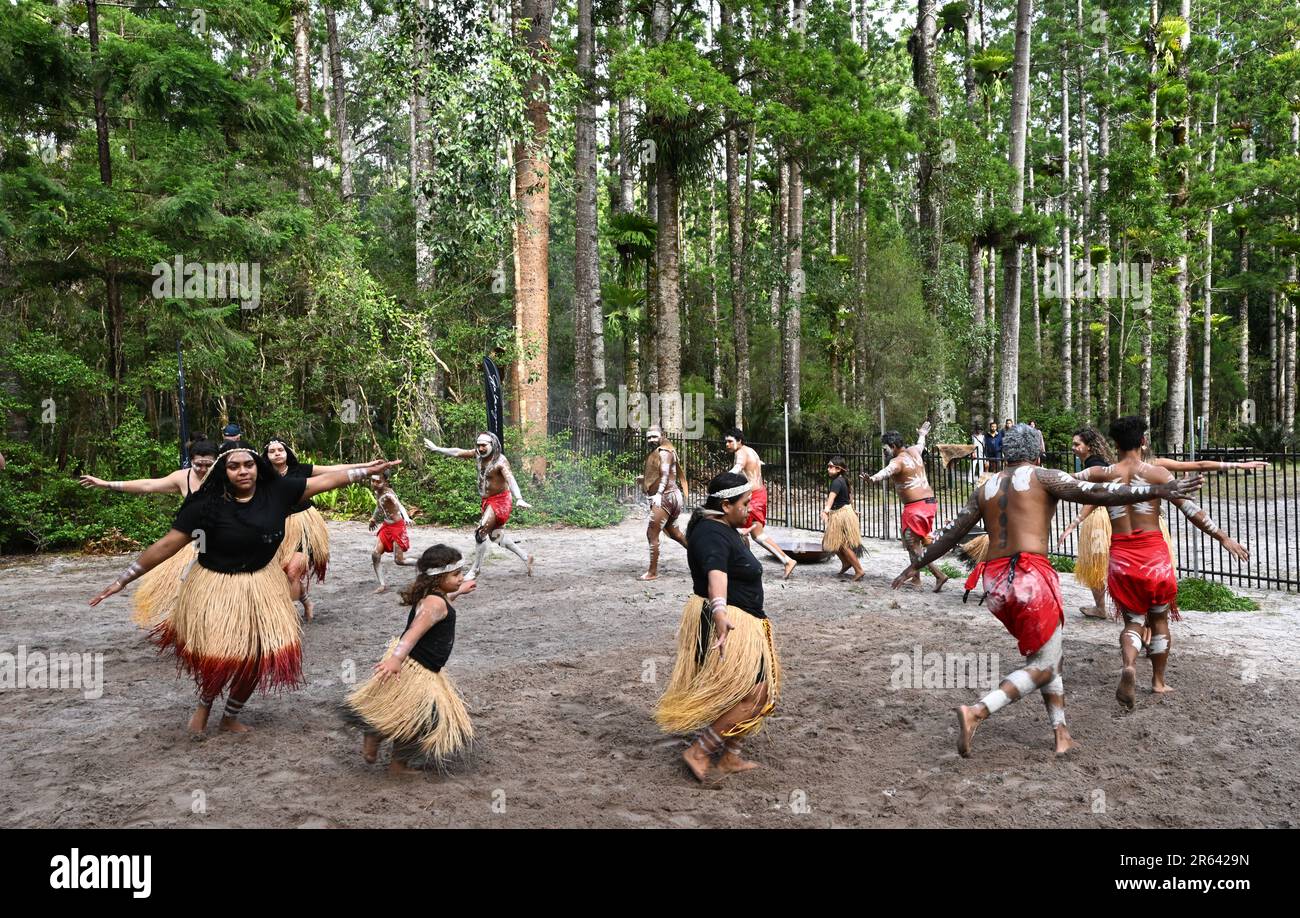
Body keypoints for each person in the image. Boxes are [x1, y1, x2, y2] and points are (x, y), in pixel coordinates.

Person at [892, 424, 1203, 757]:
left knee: (1049, 655)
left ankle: (1061, 733)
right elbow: (1098, 493)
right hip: (1029, 578)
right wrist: (1157, 491)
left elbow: (952, 533)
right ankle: (978, 711)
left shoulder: (986, 487)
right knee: (1043, 665)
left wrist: (919, 562)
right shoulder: (1044, 476)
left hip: (995, 583)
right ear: (1036, 453)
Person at [89, 441, 400, 733]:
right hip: (216, 586)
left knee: (258, 655)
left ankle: (231, 717)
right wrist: (122, 580)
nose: (242, 471)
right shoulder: (205, 506)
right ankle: (205, 705)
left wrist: (366, 472)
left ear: (257, 467)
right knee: (220, 655)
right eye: (234, 466)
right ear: (223, 472)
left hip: (262, 583)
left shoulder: (277, 492)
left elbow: (325, 481)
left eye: (248, 465)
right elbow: (168, 545)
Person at [1076, 416, 1248, 710]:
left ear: (1115, 444)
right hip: (1153, 557)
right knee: (1159, 619)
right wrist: (1223, 538)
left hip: (1122, 557)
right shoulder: (1157, 474)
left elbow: (1059, 483)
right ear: (1142, 441)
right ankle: (1157, 681)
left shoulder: (1102, 472)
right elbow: (1191, 509)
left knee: (1133, 621)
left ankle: (1129, 665)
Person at [1058, 429, 1267, 620]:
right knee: (1148, 598)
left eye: (1077, 444)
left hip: (1125, 534)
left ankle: (1127, 625)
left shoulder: (1117, 469)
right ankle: (1144, 622)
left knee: (1125, 599)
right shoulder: (1151, 468)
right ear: (1143, 442)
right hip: (1147, 536)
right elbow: (1194, 485)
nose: (1074, 448)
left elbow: (1086, 491)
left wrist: (1238, 464)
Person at [655, 472, 781, 782]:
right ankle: (700, 750)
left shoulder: (720, 526)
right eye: (744, 504)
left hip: (744, 621)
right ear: (725, 505)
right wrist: (721, 611)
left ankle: (730, 757)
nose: (749, 509)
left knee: (755, 692)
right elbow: (716, 573)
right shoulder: (712, 534)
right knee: (756, 693)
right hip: (730, 622)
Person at [346, 545, 477, 774]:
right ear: (438, 578)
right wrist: (396, 659)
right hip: (415, 668)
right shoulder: (435, 603)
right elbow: (414, 632)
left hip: (417, 665)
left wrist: (458, 591)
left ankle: (378, 737)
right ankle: (393, 758)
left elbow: (441, 608)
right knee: (421, 721)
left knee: (411, 718)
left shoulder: (436, 598)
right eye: (456, 575)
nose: (461, 577)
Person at [79, 439, 219, 629]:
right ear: (190, 461)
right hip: (194, 541)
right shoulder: (182, 477)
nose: (202, 470)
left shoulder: (227, 475)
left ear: (217, 461)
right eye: (198, 465)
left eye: (208, 465)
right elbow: (147, 485)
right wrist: (107, 484)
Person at [263, 438, 376, 622]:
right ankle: (306, 601)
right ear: (266, 456)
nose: (277, 453)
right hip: (277, 527)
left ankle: (288, 617)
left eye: (280, 450)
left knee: (292, 571)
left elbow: (335, 470)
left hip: (304, 525)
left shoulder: (301, 469)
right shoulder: (262, 475)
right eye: (272, 451)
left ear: (287, 452)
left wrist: (368, 465)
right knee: (281, 572)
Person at [424, 432, 534, 579]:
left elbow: (510, 478)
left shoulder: (500, 461)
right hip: (487, 501)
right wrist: (437, 449)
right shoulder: (477, 455)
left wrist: (519, 497)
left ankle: (475, 570)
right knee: (496, 537)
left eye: (484, 445)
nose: (480, 448)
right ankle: (526, 557)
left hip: (500, 501)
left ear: (492, 445)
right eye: (478, 445)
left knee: (480, 532)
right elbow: (457, 452)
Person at [863, 422, 948, 592]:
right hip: (929, 503)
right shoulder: (914, 451)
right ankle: (916, 579)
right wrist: (922, 433)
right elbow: (921, 443)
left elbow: (887, 471)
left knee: (912, 544)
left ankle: (939, 575)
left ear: (893, 446)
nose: (884, 451)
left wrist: (872, 479)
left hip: (916, 508)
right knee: (913, 541)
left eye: (886, 448)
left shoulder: (898, 461)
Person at [723, 428, 797, 579]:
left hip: (753, 497)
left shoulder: (741, 452)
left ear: (739, 441)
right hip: (759, 493)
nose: (727, 444)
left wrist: (722, 479)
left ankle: (744, 565)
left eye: (730, 441)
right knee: (756, 535)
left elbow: (738, 467)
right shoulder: (752, 451)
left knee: (738, 530)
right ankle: (786, 560)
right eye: (726, 441)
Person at [639, 425, 689, 581]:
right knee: (676, 534)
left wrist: (659, 494)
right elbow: (662, 474)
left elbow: (665, 474)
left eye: (654, 436)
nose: (651, 440)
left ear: (663, 435)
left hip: (666, 498)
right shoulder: (664, 450)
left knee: (651, 534)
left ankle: (652, 572)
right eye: (649, 437)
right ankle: (703, 556)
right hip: (671, 497)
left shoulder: (664, 452)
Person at [369, 470, 417, 593]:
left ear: (385, 482)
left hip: (397, 527)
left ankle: (421, 563)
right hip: (386, 526)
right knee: (375, 554)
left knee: (399, 561)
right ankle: (382, 584)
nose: (375, 484)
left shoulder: (388, 494)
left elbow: (400, 506)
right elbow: (379, 506)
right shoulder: (377, 492)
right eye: (373, 481)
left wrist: (406, 518)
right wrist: (374, 518)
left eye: (378, 482)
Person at [821, 455, 864, 581]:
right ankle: (846, 563)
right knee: (833, 542)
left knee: (842, 544)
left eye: (831, 467)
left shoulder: (836, 482)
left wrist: (825, 511)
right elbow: (849, 497)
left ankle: (859, 570)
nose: (828, 469)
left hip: (841, 514)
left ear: (838, 469)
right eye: (828, 466)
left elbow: (831, 498)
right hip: (845, 512)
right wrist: (853, 509)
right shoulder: (843, 480)